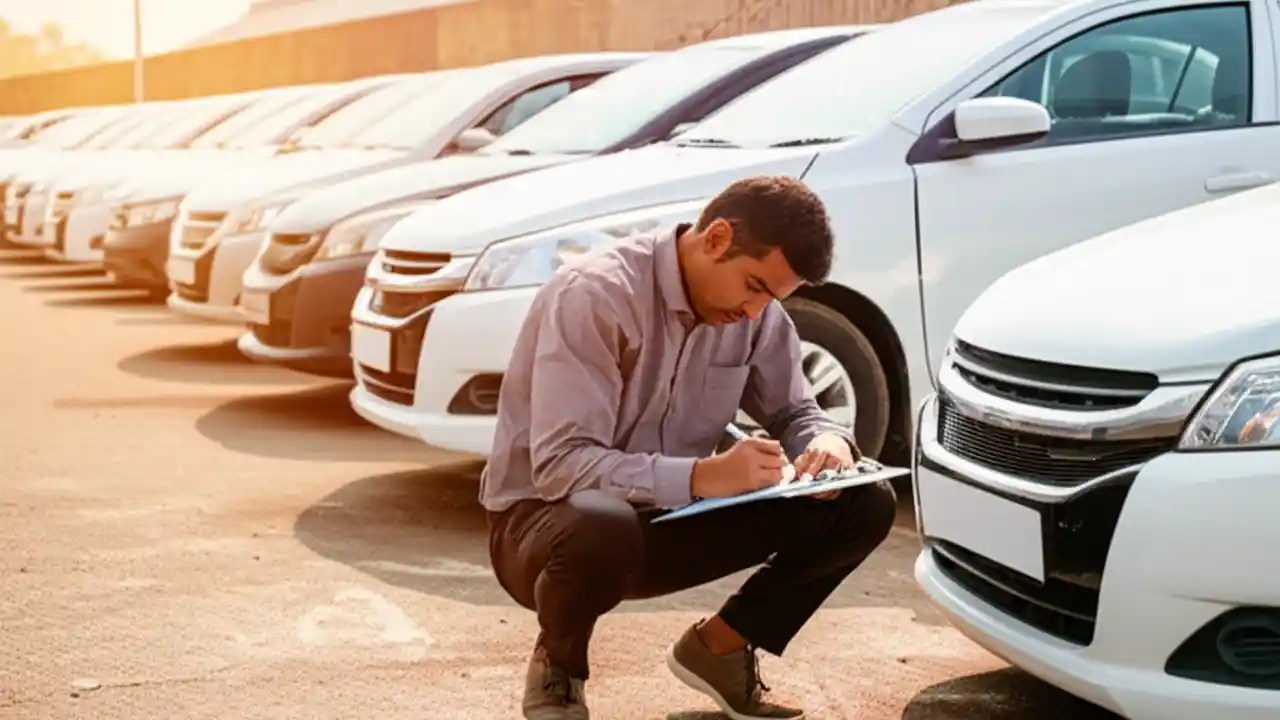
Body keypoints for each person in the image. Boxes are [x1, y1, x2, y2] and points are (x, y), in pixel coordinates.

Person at [480, 175, 898, 720]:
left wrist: (826, 441)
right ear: (716, 238)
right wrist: (704, 476)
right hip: (547, 532)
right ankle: (559, 668)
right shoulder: (595, 295)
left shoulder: (755, 315)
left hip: (667, 520)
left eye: (772, 297)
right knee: (600, 522)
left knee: (865, 503)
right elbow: (564, 467)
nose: (756, 312)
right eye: (753, 286)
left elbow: (796, 409)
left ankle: (720, 648)